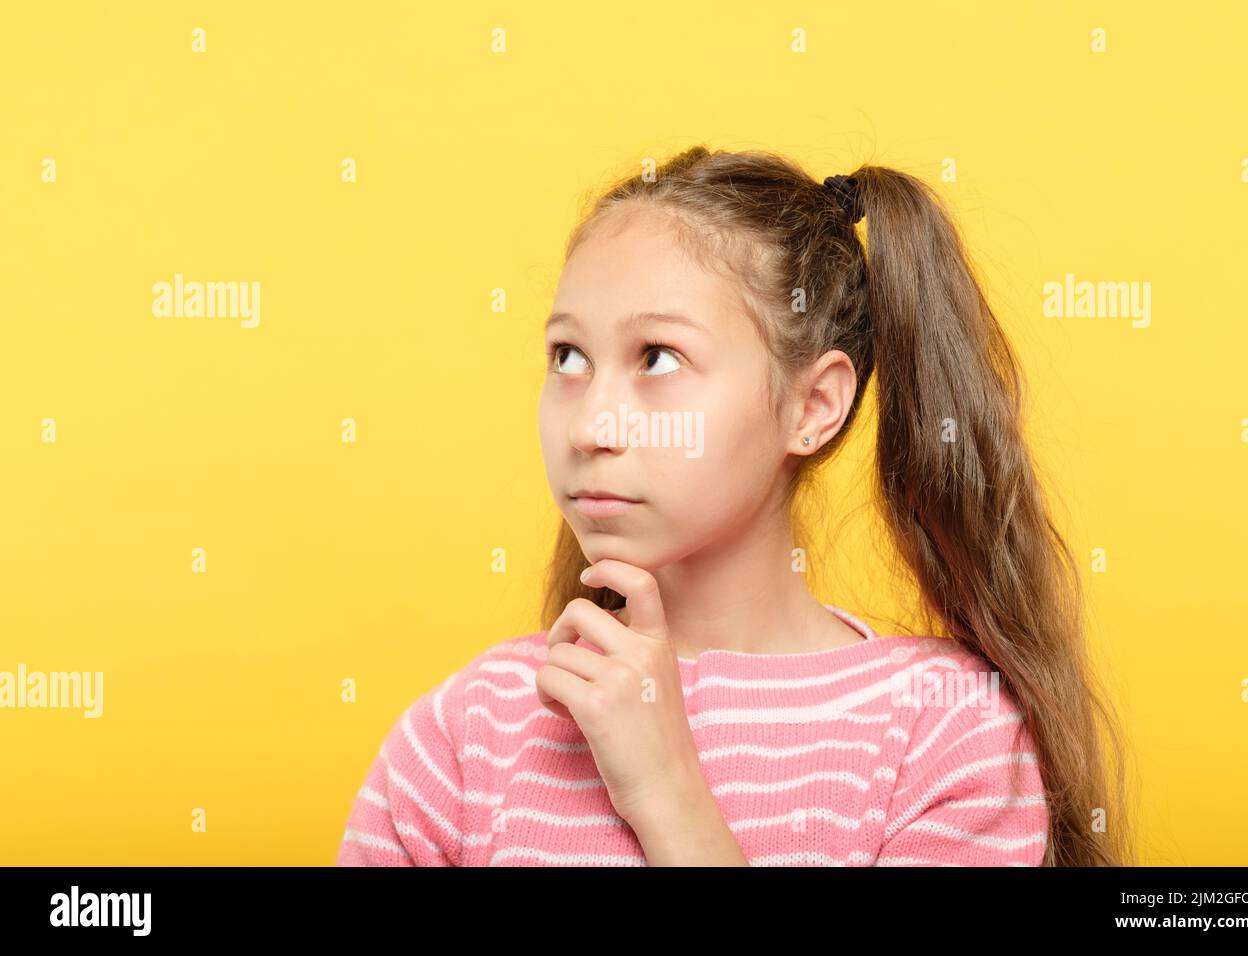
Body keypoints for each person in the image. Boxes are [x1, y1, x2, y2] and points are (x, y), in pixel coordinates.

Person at [337, 146, 1131, 866]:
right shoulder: (471, 732)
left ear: (813, 405)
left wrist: (666, 791)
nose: (589, 424)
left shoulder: (942, 731)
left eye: (658, 357)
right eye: (568, 356)